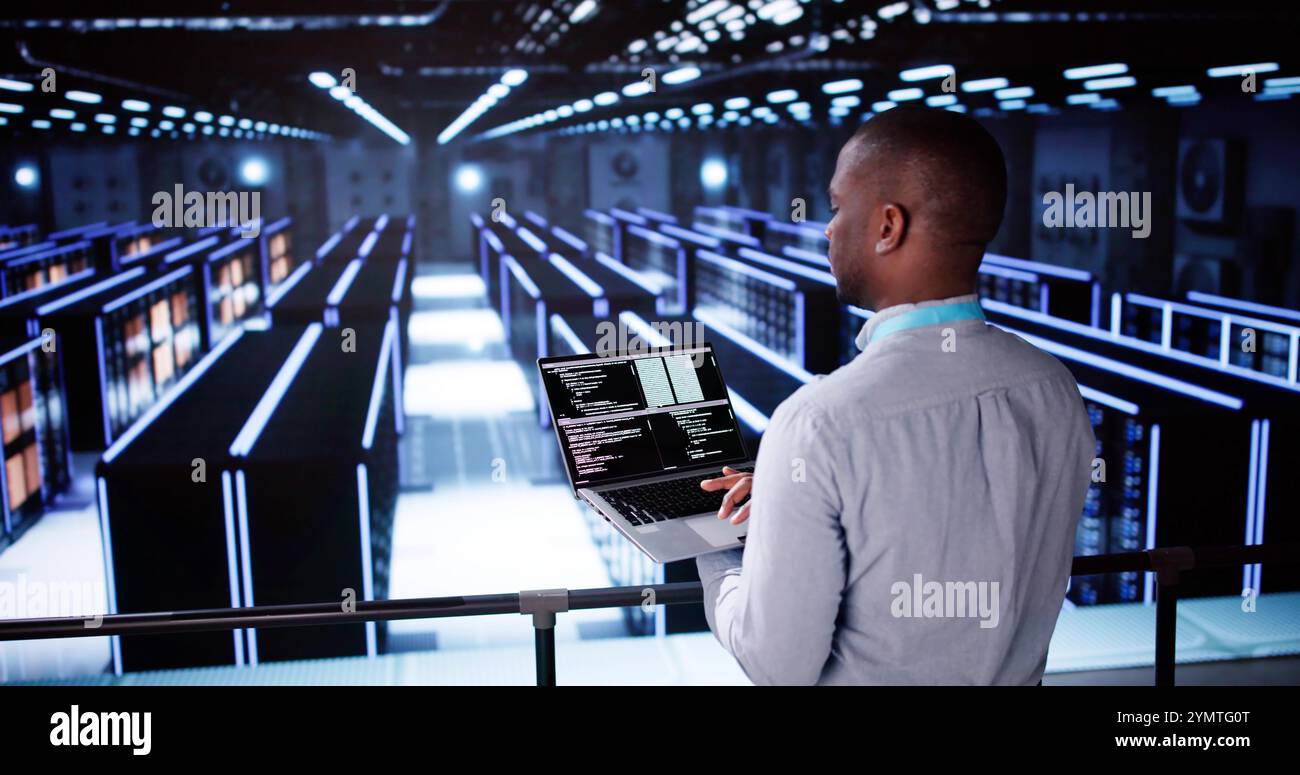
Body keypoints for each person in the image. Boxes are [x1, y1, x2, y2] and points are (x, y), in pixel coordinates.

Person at [697, 106, 1095, 685]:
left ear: (888, 226)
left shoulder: (818, 423)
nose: (827, 228)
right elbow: (956, 525)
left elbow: (778, 665)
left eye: (837, 208)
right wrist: (794, 499)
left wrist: (716, 548)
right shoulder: (1054, 388)